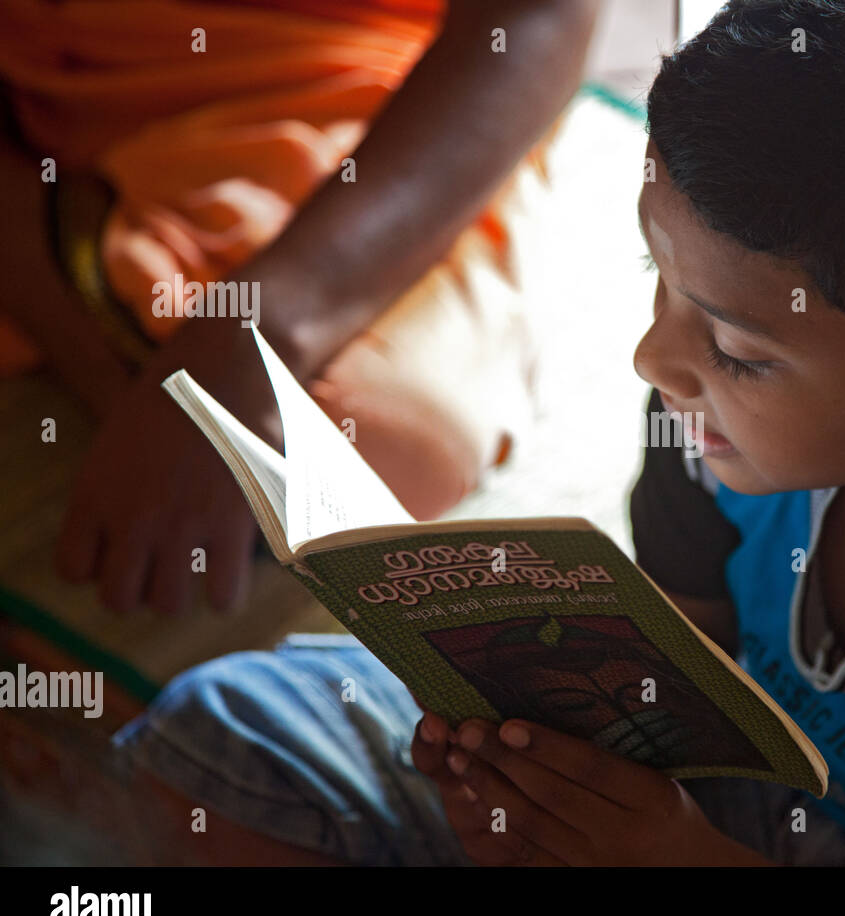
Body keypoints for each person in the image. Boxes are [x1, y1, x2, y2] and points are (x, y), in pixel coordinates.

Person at [112, 0, 845, 865]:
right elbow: (685, 649)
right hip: (722, 795)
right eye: (656, 281)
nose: (653, 359)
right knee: (234, 728)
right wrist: (548, 747)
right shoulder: (711, 400)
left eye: (738, 347)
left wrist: (674, 855)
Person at [0, 0, 600, 615]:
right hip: (42, 95)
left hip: (364, 89)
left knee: (371, 444)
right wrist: (119, 376)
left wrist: (252, 342)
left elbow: (541, 17)